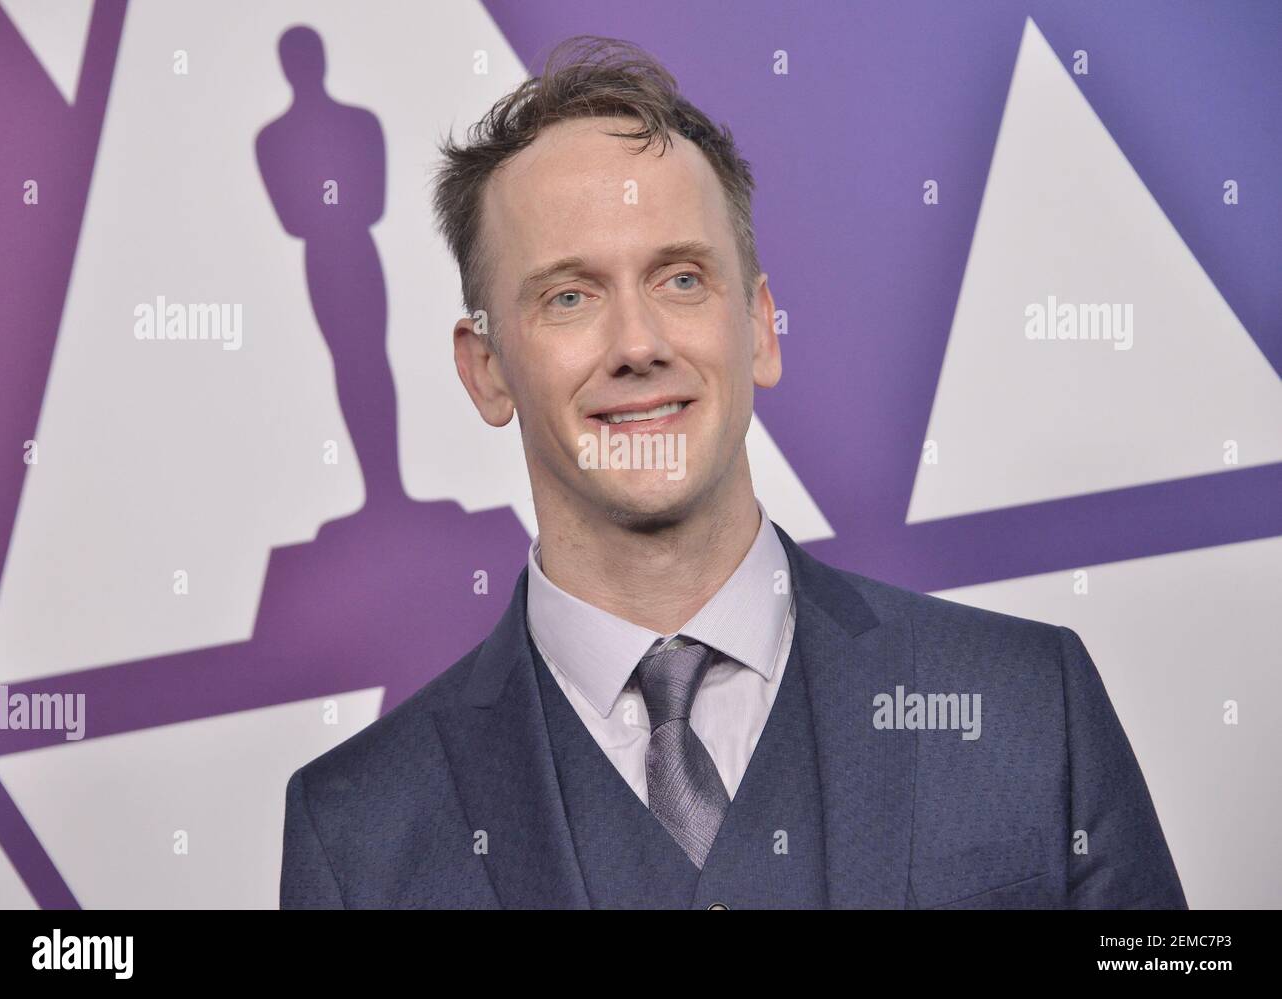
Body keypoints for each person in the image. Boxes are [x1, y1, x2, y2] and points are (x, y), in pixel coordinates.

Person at [279, 35, 1186, 909]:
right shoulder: (359, 832)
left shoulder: (1026, 703)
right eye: (569, 295)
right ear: (486, 370)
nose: (637, 344)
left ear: (759, 328)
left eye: (679, 279)